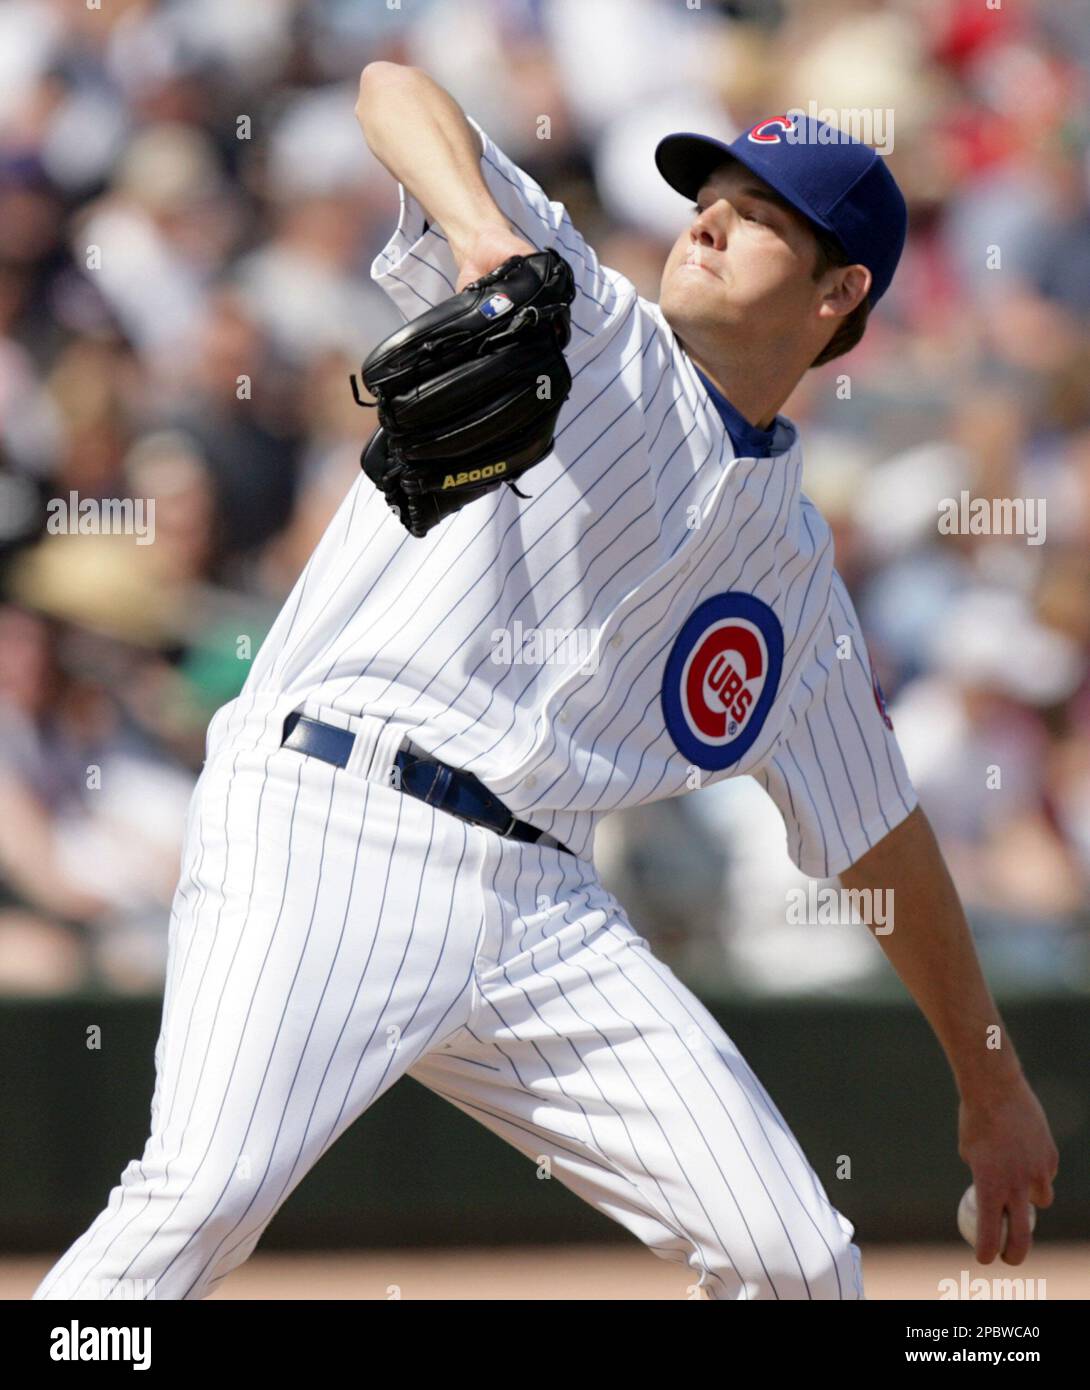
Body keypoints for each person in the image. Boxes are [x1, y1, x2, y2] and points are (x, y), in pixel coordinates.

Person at [35, 66, 1058, 1301]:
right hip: (327, 814)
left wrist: (991, 1083)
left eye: (760, 215)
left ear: (839, 293)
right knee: (196, 1202)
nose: (709, 219)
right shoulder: (581, 319)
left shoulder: (794, 576)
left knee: (794, 1263)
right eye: (708, 195)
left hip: (542, 901)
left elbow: (881, 837)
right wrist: (479, 236)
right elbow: (392, 91)